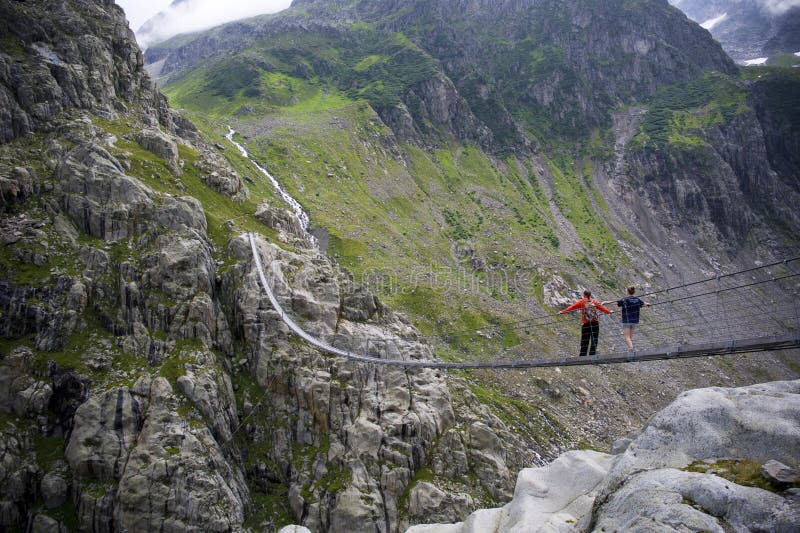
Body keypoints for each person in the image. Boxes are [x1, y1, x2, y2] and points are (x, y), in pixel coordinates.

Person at [560, 290, 613, 357]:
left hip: (586, 323)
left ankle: (583, 354)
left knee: (585, 339)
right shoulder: (595, 302)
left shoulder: (581, 302)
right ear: (590, 295)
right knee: (594, 338)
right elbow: (602, 308)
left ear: (584, 295)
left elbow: (572, 307)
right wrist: (609, 312)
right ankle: (592, 354)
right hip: (595, 323)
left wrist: (563, 311)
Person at [603, 285, 650, 350]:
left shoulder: (625, 300)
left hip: (627, 320)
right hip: (635, 321)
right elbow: (643, 303)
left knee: (627, 337)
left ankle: (631, 349)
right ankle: (631, 349)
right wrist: (647, 304)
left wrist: (606, 302)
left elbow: (616, 303)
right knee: (630, 337)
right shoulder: (637, 299)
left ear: (627, 291)